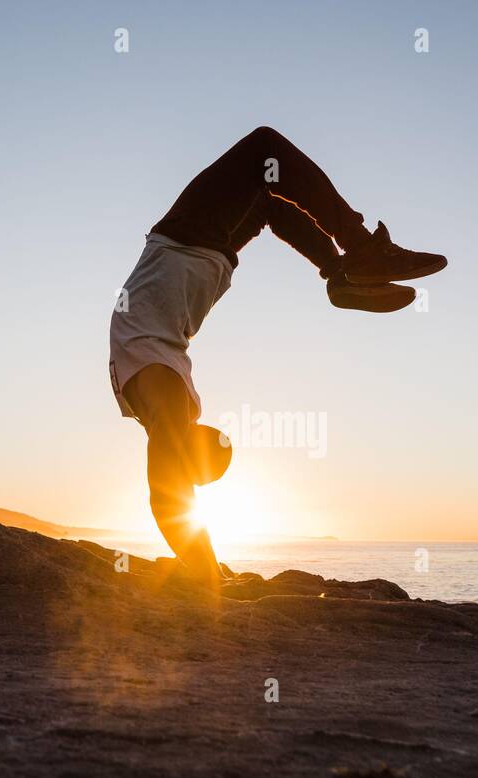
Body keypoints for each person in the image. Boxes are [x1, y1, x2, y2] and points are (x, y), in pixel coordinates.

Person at [109, 126, 447, 585]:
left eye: (214, 444)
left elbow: (167, 497)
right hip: (201, 254)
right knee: (267, 184)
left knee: (267, 154)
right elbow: (169, 496)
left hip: (184, 245)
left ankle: (356, 257)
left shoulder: (159, 391)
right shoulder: (171, 398)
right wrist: (213, 576)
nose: (216, 435)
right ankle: (349, 268)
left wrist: (208, 575)